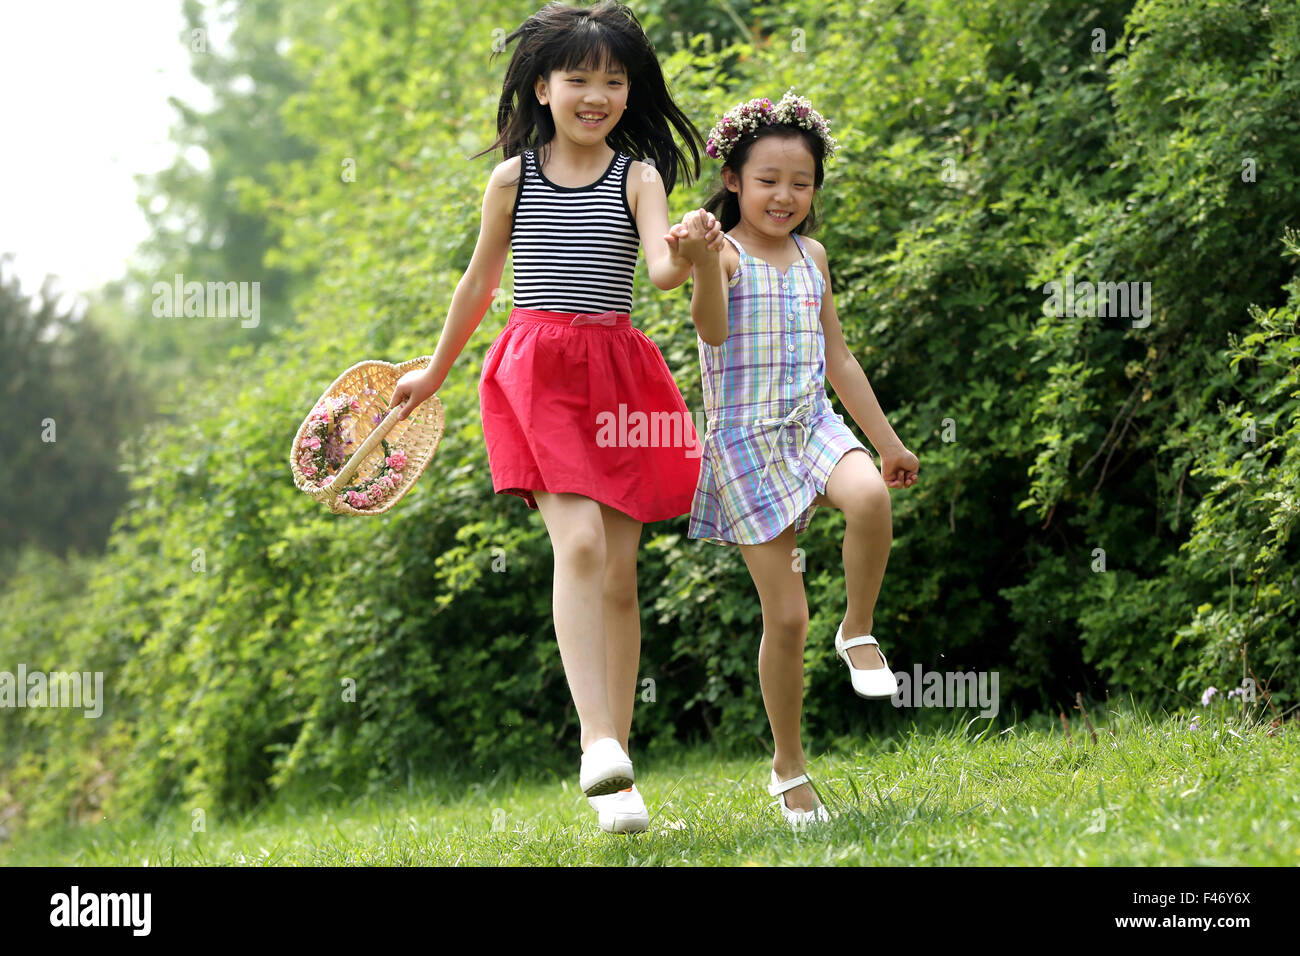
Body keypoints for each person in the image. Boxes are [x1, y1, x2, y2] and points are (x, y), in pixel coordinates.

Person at [387, 0, 725, 835]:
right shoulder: (513, 179)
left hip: (618, 379)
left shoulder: (638, 175)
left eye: (614, 80)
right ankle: (596, 739)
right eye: (580, 78)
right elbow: (477, 284)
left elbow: (659, 274)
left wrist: (690, 245)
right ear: (542, 86)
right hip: (535, 377)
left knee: (618, 574)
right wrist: (433, 371)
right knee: (576, 544)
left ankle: (623, 787)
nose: (597, 94)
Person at [676, 89, 920, 827]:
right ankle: (788, 766)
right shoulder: (720, 250)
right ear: (732, 182)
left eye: (801, 183)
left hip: (810, 425)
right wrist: (704, 266)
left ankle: (859, 630)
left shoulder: (814, 255)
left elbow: (838, 358)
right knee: (785, 618)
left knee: (872, 499)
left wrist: (888, 442)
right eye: (767, 181)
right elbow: (711, 334)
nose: (785, 196)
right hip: (746, 445)